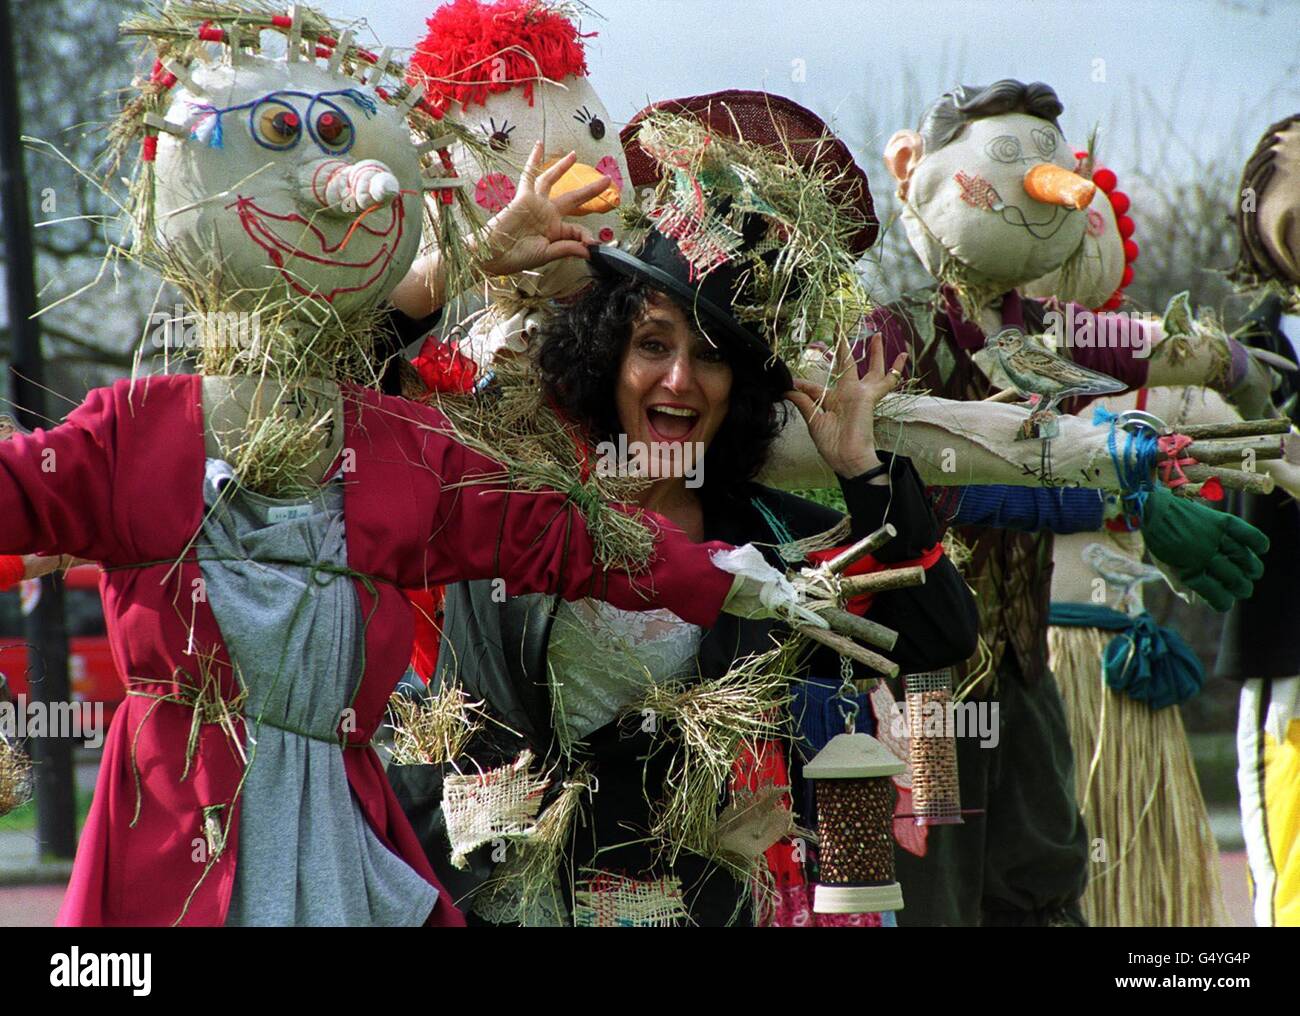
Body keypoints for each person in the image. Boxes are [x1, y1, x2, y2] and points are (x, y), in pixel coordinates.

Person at [390, 91, 980, 927]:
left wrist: (860, 468)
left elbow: (937, 636)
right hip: (479, 898)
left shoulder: (771, 539)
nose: (677, 380)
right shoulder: (503, 479)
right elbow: (333, 396)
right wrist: (464, 262)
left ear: (740, 393)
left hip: (688, 905)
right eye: (654, 345)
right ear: (606, 355)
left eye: (710, 358)